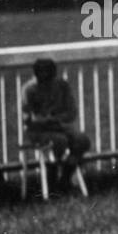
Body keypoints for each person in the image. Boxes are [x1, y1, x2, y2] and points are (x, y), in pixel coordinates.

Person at [21, 58, 91, 188]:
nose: (45, 81)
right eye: (41, 77)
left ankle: (65, 176)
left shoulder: (62, 86)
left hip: (59, 125)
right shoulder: (29, 90)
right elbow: (28, 119)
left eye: (49, 77)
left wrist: (55, 119)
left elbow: (71, 112)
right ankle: (51, 180)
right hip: (37, 131)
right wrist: (43, 120)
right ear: (36, 75)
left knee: (82, 140)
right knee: (60, 141)